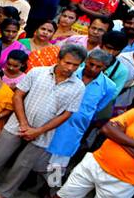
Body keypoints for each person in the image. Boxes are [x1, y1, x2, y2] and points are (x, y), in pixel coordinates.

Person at [0, 45, 86, 198]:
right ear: (58, 59)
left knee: (23, 165)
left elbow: (66, 114)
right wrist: (24, 124)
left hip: (43, 133)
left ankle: (6, 192)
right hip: (16, 123)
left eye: (75, 65)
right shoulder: (37, 73)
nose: (70, 68)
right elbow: (18, 96)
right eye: (67, 63)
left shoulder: (78, 87)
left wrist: (38, 131)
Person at [43, 49, 122, 180]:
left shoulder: (109, 86)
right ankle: (31, 178)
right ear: (86, 61)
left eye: (98, 67)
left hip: (74, 128)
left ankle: (48, 187)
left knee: (61, 159)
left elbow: (98, 108)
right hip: (52, 119)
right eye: (91, 64)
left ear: (105, 67)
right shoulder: (71, 73)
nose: (93, 68)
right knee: (41, 151)